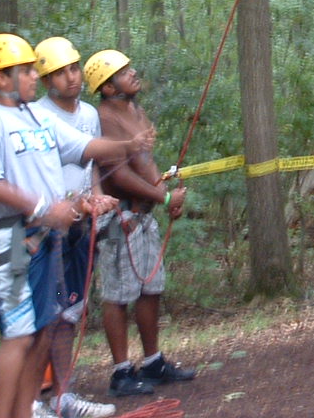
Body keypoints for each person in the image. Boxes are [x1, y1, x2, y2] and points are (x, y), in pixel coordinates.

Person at [0, 33, 151, 418]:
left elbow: (83, 147)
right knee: (18, 335)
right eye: (27, 70)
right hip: (11, 240)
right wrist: (44, 207)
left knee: (44, 329)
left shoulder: (36, 116)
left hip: (47, 238)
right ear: (0, 78)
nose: (35, 77)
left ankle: (25, 411)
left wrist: (129, 145)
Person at [84, 49, 194, 397]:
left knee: (150, 288)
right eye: (122, 71)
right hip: (122, 217)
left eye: (130, 67)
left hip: (145, 215)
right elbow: (117, 173)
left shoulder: (136, 111)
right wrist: (162, 197)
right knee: (117, 294)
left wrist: (166, 197)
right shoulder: (105, 118)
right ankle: (121, 372)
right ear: (107, 87)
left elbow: (145, 163)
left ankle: (152, 361)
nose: (132, 74)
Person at [32, 37, 117, 418]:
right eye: (59, 73)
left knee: (70, 312)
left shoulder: (89, 115)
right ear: (45, 79)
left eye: (73, 68)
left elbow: (91, 164)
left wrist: (96, 198)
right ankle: (34, 399)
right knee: (44, 314)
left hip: (82, 225)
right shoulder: (36, 116)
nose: (71, 77)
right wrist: (71, 201)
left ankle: (63, 394)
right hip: (48, 228)